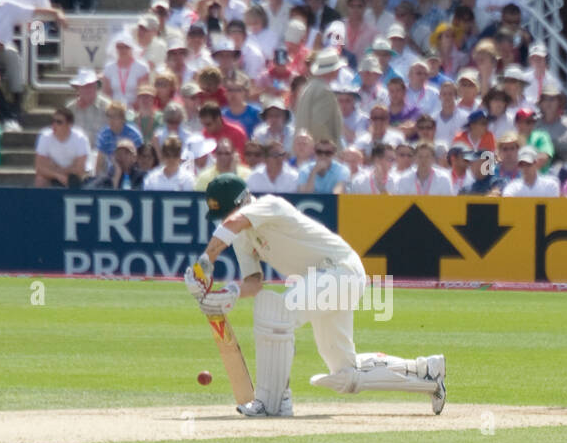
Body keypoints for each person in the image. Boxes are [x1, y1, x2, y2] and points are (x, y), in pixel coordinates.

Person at [185, 174, 447, 417]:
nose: (223, 220)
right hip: (322, 281)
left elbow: (232, 223)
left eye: (225, 212)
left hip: (339, 270)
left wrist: (203, 264)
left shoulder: (268, 205)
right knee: (345, 374)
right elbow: (254, 283)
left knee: (277, 312)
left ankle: (273, 403)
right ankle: (427, 372)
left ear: (241, 202)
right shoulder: (243, 238)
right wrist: (228, 294)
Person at [34, 106, 91, 187]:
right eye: (53, 121)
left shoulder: (80, 138)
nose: (54, 125)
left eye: (59, 122)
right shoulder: (45, 136)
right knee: (40, 180)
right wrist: (58, 175)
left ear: (70, 125)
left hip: (76, 176)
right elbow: (39, 168)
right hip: (55, 175)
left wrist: (55, 168)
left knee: (76, 178)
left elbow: (80, 170)